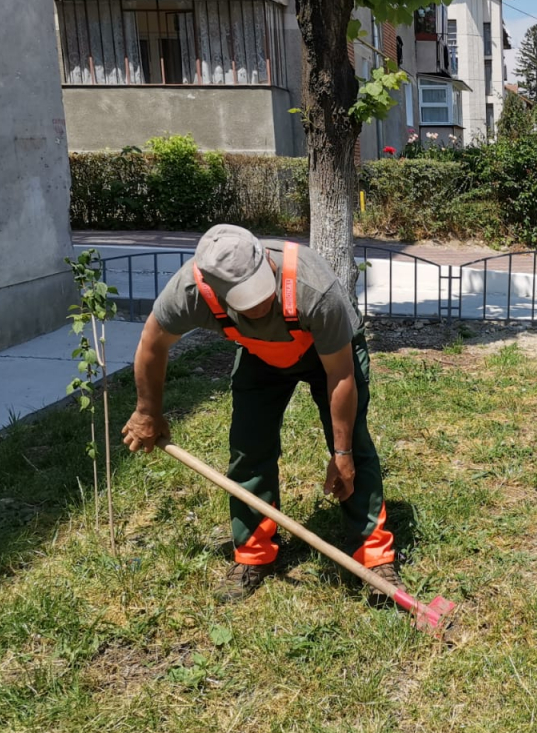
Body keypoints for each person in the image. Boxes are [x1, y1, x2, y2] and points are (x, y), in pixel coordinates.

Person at [120, 224, 400, 603]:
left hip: (330, 356)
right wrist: (147, 411)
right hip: (259, 356)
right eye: (243, 300)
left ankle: (375, 557)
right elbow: (153, 343)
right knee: (249, 450)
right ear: (212, 288)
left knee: (355, 449)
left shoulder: (313, 287)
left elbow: (340, 374)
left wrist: (342, 452)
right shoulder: (189, 291)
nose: (257, 306)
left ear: (265, 260)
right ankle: (254, 554)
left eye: (260, 290)